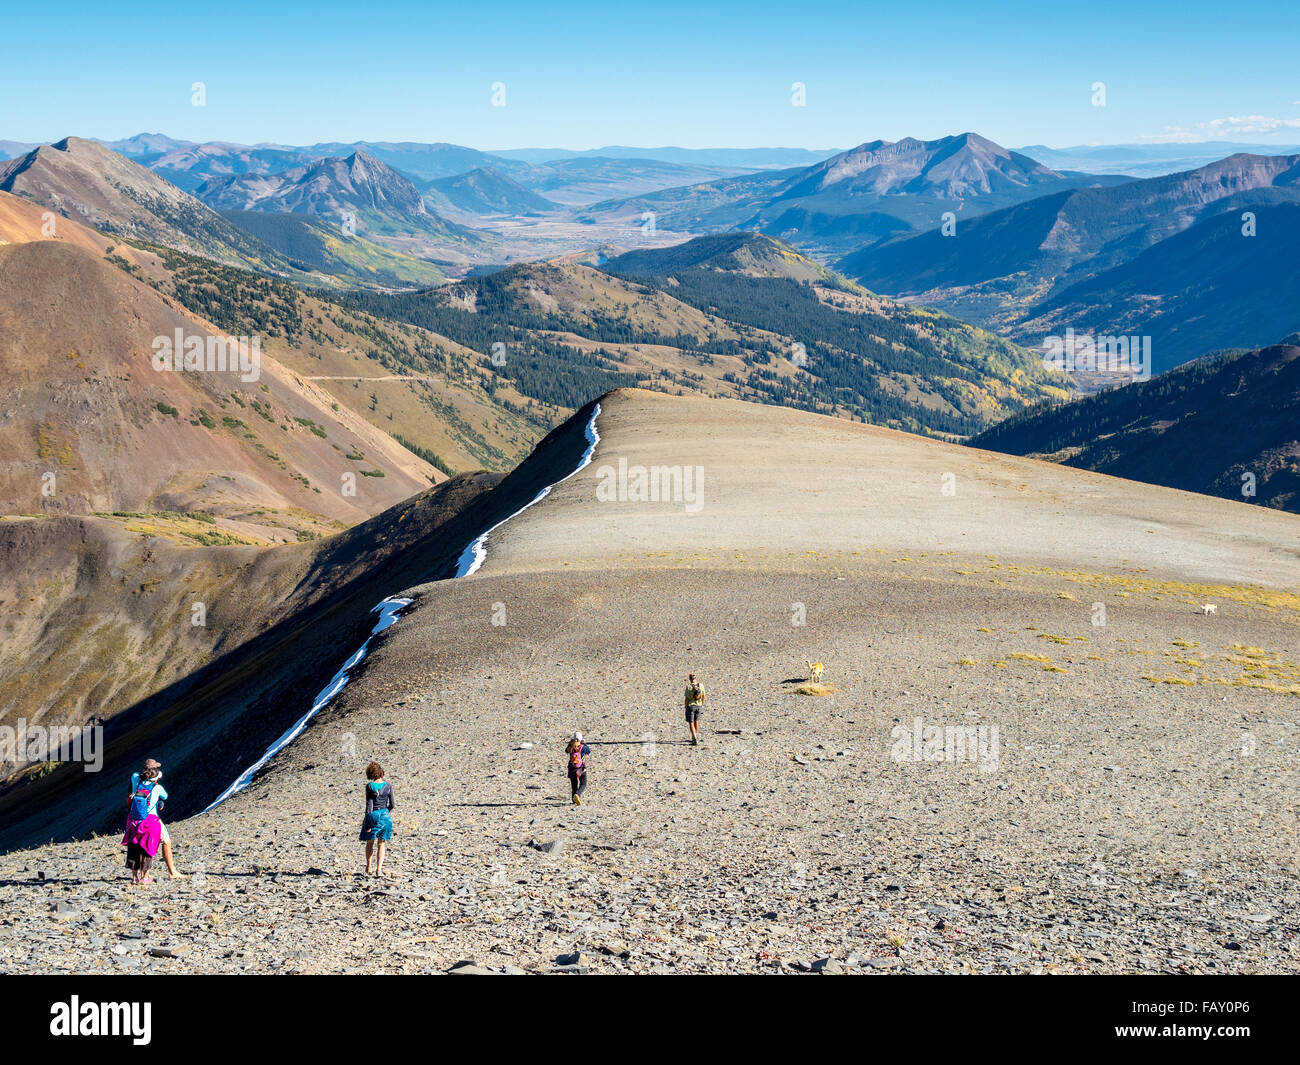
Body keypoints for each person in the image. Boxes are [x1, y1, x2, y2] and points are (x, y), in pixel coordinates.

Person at [125, 758, 184, 880]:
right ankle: (171, 872)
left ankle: (136, 876)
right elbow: (165, 796)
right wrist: (156, 779)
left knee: (137, 844)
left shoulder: (135, 778)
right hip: (150, 818)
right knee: (166, 840)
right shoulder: (157, 787)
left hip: (134, 818)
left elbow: (136, 776)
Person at [360, 761, 395, 877]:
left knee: (370, 842)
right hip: (385, 815)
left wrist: (368, 823)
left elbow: (369, 805)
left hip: (373, 814)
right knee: (382, 843)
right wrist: (385, 812)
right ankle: (379, 869)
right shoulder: (388, 786)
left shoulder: (369, 786)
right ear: (381, 773)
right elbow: (392, 804)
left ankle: (369, 867)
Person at [565, 732, 590, 805]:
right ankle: (578, 794)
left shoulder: (571, 746)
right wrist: (584, 744)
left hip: (572, 768)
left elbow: (566, 751)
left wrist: (570, 743)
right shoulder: (583, 747)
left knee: (574, 785)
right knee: (583, 783)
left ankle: (573, 800)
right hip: (581, 768)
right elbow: (588, 751)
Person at [684, 673, 707, 745]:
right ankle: (695, 736)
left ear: (689, 679)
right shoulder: (701, 686)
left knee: (691, 722)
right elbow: (703, 696)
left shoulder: (689, 687)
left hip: (691, 706)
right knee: (696, 721)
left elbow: (687, 698)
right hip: (698, 706)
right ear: (696, 678)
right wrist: (701, 704)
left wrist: (685, 705)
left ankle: (694, 738)